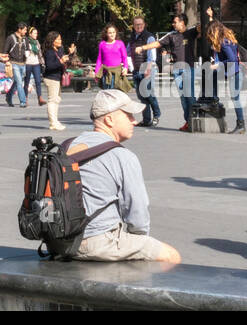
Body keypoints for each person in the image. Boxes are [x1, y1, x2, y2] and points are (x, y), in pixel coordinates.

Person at [67, 90, 181, 264]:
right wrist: (138, 240)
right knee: (171, 256)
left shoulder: (68, 146)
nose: (134, 121)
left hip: (59, 240)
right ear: (109, 119)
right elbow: (137, 211)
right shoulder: (121, 156)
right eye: (128, 116)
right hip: (97, 242)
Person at [206, 21, 245, 134]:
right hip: (235, 72)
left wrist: (217, 65)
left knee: (236, 99)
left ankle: (241, 125)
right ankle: (240, 124)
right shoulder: (228, 39)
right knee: (235, 98)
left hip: (235, 72)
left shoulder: (224, 42)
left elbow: (232, 59)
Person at [160, 14, 194, 130]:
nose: (173, 24)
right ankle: (188, 122)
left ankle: (194, 120)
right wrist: (143, 48)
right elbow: (158, 43)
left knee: (189, 96)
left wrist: (210, 17)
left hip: (188, 68)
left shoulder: (190, 32)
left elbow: (204, 27)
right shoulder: (171, 35)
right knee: (183, 98)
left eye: (175, 22)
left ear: (182, 22)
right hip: (176, 70)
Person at [128, 16, 160, 128]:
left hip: (147, 69)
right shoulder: (132, 38)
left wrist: (148, 68)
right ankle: (146, 120)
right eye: (136, 24)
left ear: (144, 24)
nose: (139, 26)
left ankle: (157, 115)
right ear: (133, 26)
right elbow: (128, 53)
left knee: (149, 94)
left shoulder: (149, 37)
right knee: (141, 97)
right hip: (136, 70)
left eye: (141, 24)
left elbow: (152, 55)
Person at [41, 31, 68, 132]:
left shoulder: (59, 49)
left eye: (60, 39)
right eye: (58, 39)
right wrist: (61, 61)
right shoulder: (49, 51)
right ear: (53, 41)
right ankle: (53, 122)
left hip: (57, 77)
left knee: (56, 100)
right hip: (51, 78)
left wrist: (70, 53)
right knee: (52, 100)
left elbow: (62, 60)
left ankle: (55, 121)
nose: (60, 41)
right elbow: (50, 66)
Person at [95, 25, 131, 92]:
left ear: (116, 33)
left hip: (117, 73)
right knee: (107, 94)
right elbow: (99, 59)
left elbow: (124, 58)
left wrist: (126, 68)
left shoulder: (120, 44)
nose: (112, 34)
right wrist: (96, 72)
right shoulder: (102, 44)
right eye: (110, 33)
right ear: (106, 34)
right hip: (106, 74)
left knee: (116, 95)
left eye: (113, 32)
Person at [5, 21, 29, 107]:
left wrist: (28, 53)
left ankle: (9, 96)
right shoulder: (11, 38)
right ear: (19, 29)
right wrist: (7, 61)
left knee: (17, 82)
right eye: (25, 30)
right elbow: (5, 51)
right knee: (19, 82)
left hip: (23, 63)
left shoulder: (25, 39)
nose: (26, 32)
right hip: (14, 63)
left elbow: (27, 50)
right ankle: (23, 101)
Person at [23, 27, 44, 106]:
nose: (36, 35)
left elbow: (40, 53)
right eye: (34, 33)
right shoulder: (26, 41)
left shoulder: (37, 42)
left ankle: (40, 98)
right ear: (30, 34)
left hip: (36, 63)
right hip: (28, 63)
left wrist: (42, 62)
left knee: (38, 81)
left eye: (37, 33)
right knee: (27, 82)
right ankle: (25, 98)